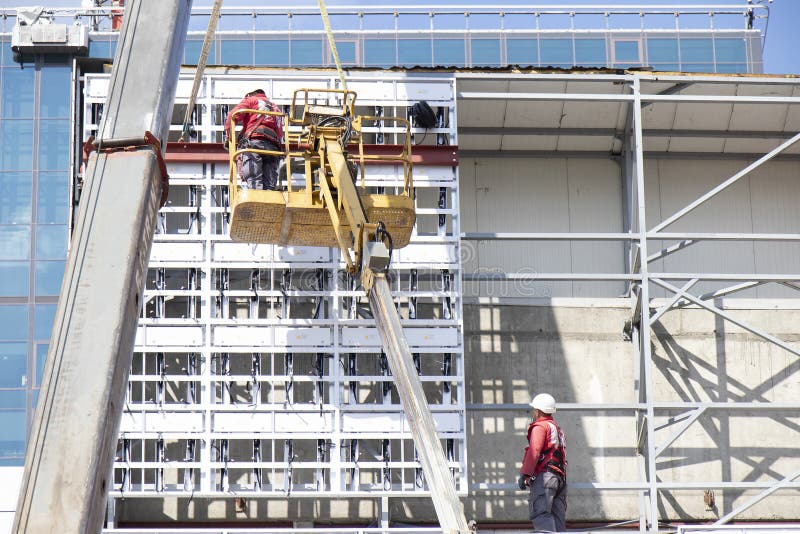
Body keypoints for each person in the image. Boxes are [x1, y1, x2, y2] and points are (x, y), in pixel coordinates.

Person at [518, 393, 567, 532]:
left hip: (545, 477)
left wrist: (525, 474)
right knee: (557, 518)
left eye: (534, 410)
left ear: (538, 411)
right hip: (559, 478)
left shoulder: (540, 427)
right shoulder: (556, 428)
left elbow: (534, 451)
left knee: (540, 513)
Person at [224, 89, 284, 190]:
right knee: (270, 185)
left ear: (251, 94)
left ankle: (255, 200)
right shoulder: (275, 108)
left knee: (254, 183)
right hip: (273, 146)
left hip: (254, 142)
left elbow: (232, 116)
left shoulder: (250, 100)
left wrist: (228, 137)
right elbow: (280, 132)